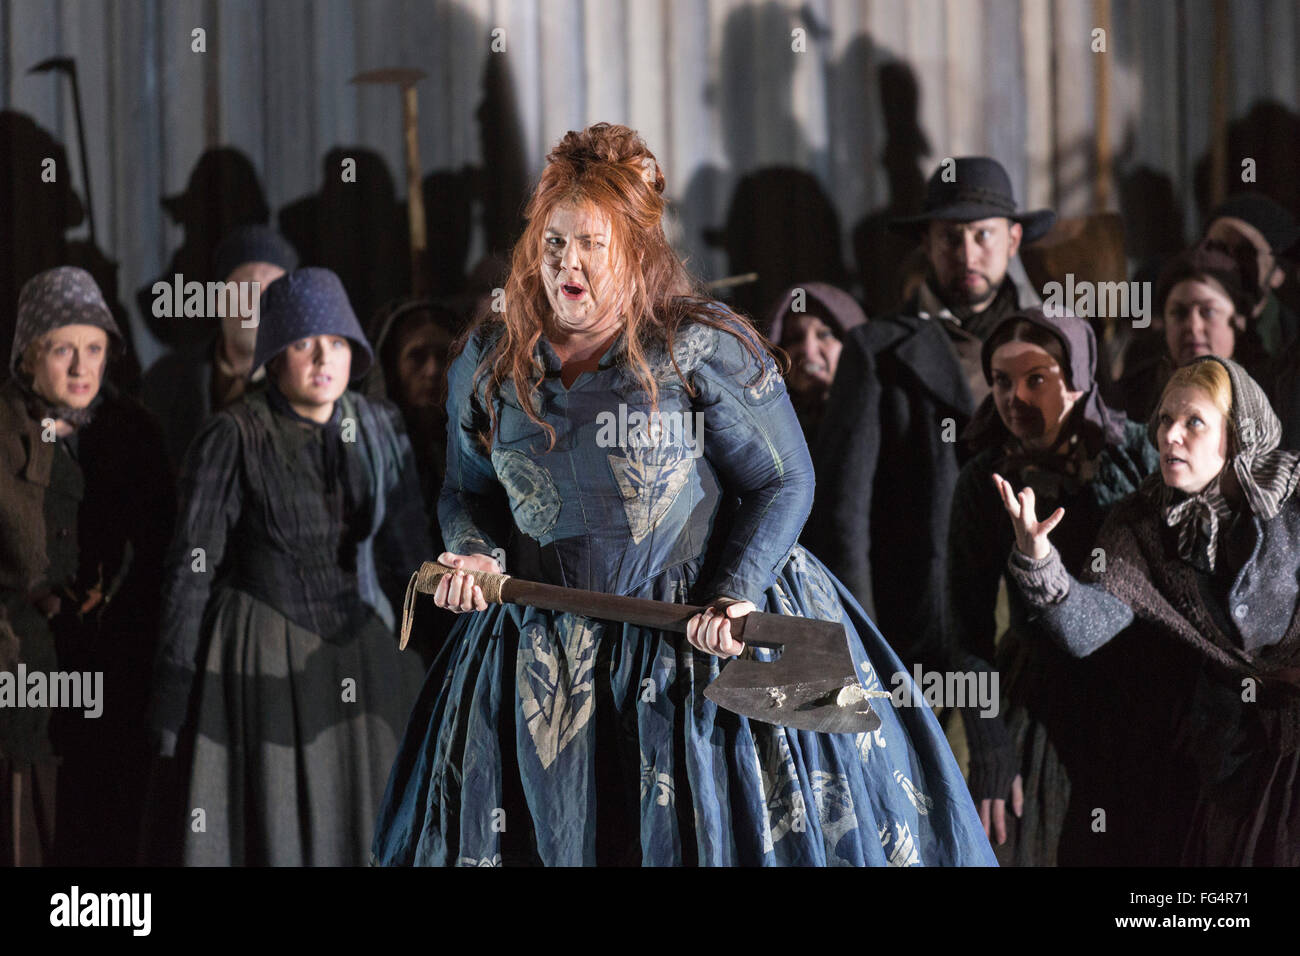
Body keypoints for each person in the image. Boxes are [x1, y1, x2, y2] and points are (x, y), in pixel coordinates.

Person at [371, 123, 995, 867]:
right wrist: (473, 554)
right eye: (553, 244)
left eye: (591, 245)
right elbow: (464, 491)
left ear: (635, 253)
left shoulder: (696, 345)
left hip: (697, 633)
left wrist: (736, 592)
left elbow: (784, 479)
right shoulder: (491, 357)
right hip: (544, 651)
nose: (568, 264)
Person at [149, 267, 431, 865]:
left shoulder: (379, 426)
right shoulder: (233, 435)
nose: (322, 358)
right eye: (303, 344)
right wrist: (171, 701)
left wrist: (440, 666)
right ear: (274, 356)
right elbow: (190, 572)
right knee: (281, 829)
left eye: (335, 343)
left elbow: (409, 557)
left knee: (375, 824)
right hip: (265, 650)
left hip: (368, 654)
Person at [998, 354, 1300, 865]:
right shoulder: (1143, 522)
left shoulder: (1290, 497)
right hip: (1231, 750)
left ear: (1238, 434)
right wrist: (1039, 560)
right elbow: (1088, 627)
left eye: (1193, 422)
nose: (1169, 436)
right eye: (1164, 420)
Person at [806, 156, 1053, 673]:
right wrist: (860, 641)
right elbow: (843, 513)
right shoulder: (877, 351)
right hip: (920, 625)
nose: (967, 253)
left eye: (983, 236)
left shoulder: (1056, 344)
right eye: (950, 238)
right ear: (927, 244)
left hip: (1036, 618)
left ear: (1013, 239)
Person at [947, 307, 1165, 865]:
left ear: (1078, 379)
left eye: (1034, 379)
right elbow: (963, 632)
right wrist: (991, 749)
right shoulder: (984, 479)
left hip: (1144, 691)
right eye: (1001, 381)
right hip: (1041, 701)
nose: (1014, 397)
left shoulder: (1139, 456)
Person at [1, 266, 172, 865]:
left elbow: (161, 553)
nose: (80, 367)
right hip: (22, 681)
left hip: (116, 683)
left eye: (94, 349)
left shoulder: (133, 431)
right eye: (62, 350)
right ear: (27, 357)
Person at [141, 224, 297, 465]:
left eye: (274, 290)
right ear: (218, 299)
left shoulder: (310, 386)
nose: (259, 301)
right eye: (247, 287)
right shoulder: (164, 383)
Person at [1114, 239, 1264, 424]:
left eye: (1208, 312)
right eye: (1179, 313)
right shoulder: (1129, 400)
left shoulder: (1271, 392)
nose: (1193, 327)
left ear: (1238, 320)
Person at [763, 282, 867, 443]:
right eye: (794, 338)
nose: (807, 350)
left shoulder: (880, 422)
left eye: (824, 335)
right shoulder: (766, 436)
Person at [1203, 193, 1299, 363]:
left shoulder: (1290, 341)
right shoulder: (1180, 332)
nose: (1228, 262)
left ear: (1277, 273)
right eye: (1217, 248)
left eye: (1246, 251)